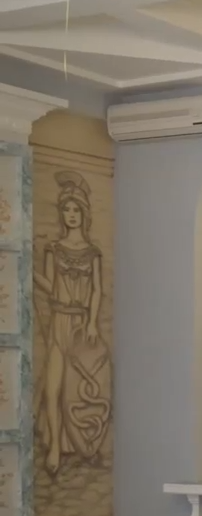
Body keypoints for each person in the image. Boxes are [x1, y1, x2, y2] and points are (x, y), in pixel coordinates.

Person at [33, 171, 111, 476]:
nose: (71, 215)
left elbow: (97, 290)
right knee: (53, 387)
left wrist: (92, 322)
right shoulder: (53, 249)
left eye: (76, 209)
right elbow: (48, 284)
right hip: (59, 322)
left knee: (78, 387)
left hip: (81, 325)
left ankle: (81, 439)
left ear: (84, 213)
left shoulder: (93, 253)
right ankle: (54, 444)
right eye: (66, 209)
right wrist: (28, 270)